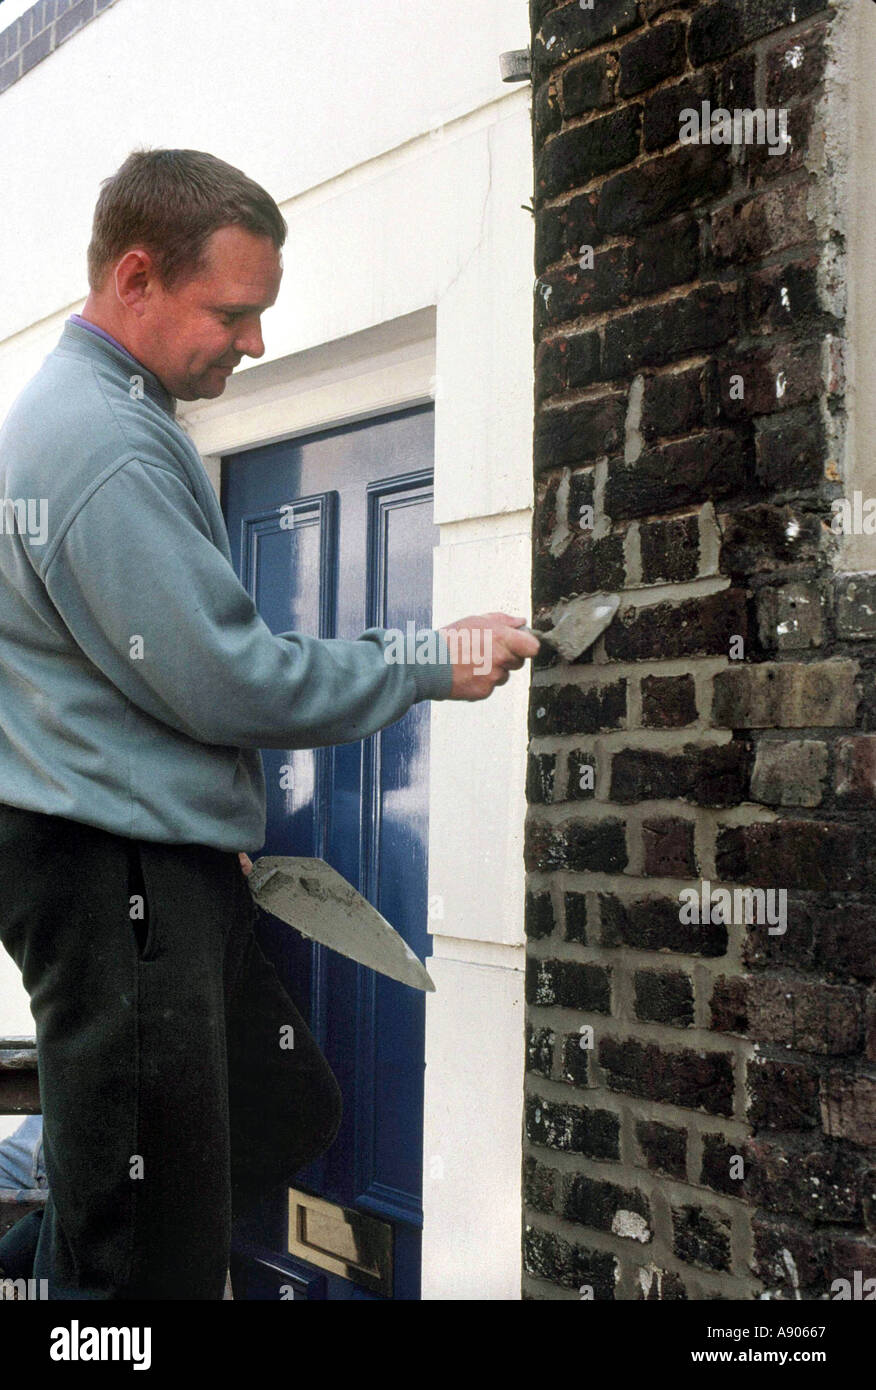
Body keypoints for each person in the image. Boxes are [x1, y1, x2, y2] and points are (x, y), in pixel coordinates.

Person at [0, 148, 538, 1300]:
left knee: (278, 1105)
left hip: (152, 858)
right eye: (233, 314)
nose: (252, 345)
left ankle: (60, 1248)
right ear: (136, 278)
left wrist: (198, 809)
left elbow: (132, 685)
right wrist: (427, 659)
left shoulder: (117, 415)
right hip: (113, 883)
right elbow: (226, 679)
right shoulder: (96, 444)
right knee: (147, 1253)